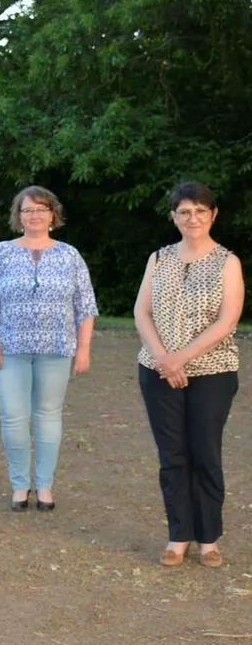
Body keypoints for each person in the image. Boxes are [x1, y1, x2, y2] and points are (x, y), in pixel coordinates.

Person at [133, 182, 242, 569]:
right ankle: (178, 535)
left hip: (213, 372)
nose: (192, 218)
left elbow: (227, 320)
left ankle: (208, 538)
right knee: (173, 456)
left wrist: (181, 359)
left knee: (205, 453)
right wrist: (164, 360)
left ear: (213, 215)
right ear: (174, 217)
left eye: (200, 211)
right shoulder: (159, 259)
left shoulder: (228, 262)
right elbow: (141, 312)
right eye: (184, 211)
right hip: (158, 371)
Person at [0, 186, 97, 512]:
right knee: (13, 418)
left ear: (53, 214)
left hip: (56, 349)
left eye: (41, 209)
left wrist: (83, 349)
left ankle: (45, 485)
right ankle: (19, 485)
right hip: (10, 349)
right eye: (28, 210)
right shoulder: (1, 253)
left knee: (48, 416)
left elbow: (85, 306)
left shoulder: (69, 255)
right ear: (19, 216)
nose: (35, 215)